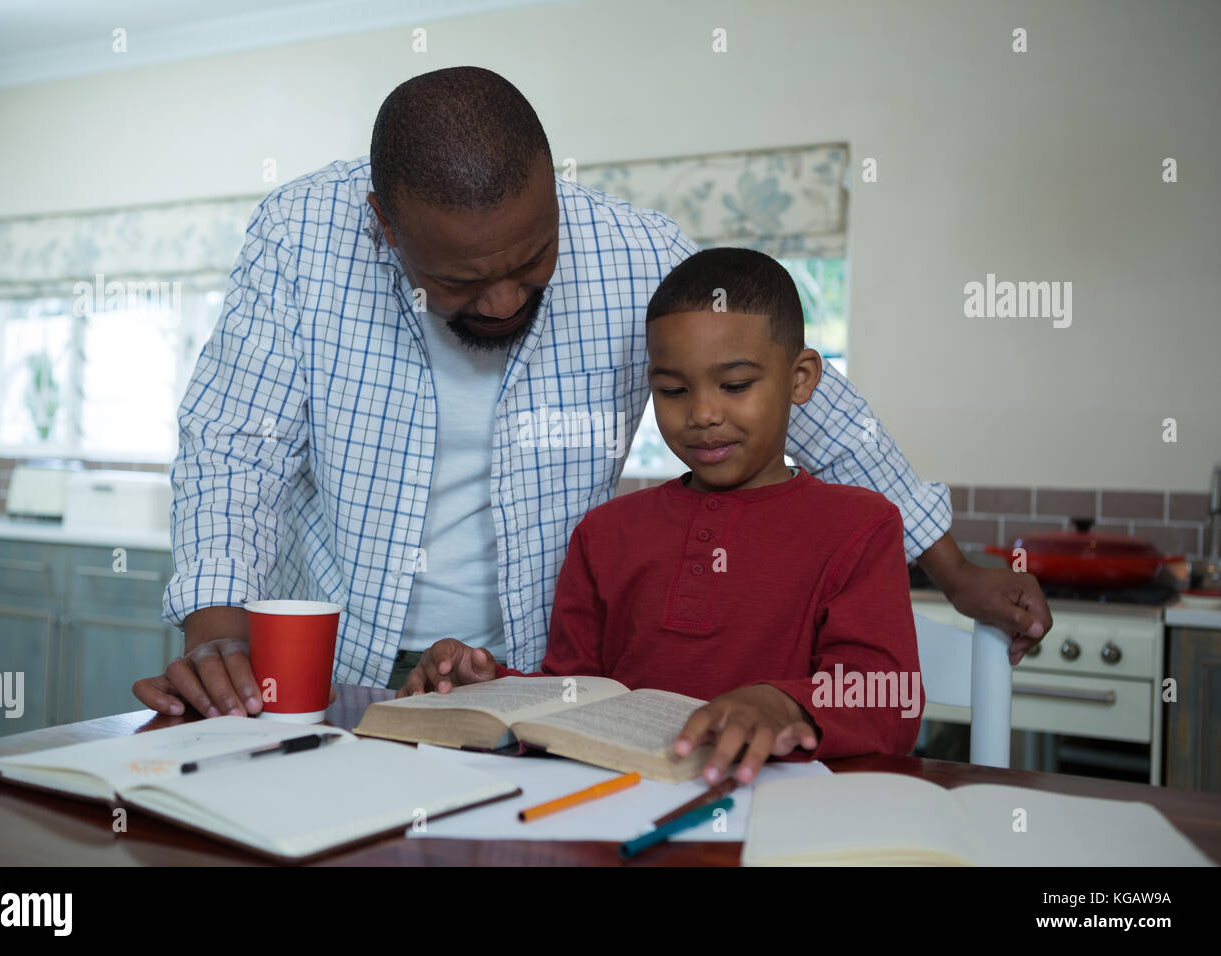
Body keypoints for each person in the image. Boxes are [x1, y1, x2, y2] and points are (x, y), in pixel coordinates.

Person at [134, 66, 1050, 720]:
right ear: (384, 227)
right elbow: (233, 446)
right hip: (323, 669)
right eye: (459, 282)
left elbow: (813, 403)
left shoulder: (638, 251)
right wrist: (219, 636)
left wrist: (956, 568)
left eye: (531, 262)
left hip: (529, 685)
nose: (501, 302)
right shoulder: (303, 236)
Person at [398, 248, 923, 784]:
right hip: (614, 807)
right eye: (672, 390)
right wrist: (487, 688)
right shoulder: (605, 532)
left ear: (801, 378)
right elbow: (571, 695)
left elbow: (890, 702)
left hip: (779, 818)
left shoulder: (860, 525)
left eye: (735, 385)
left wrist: (782, 705)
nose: (703, 414)